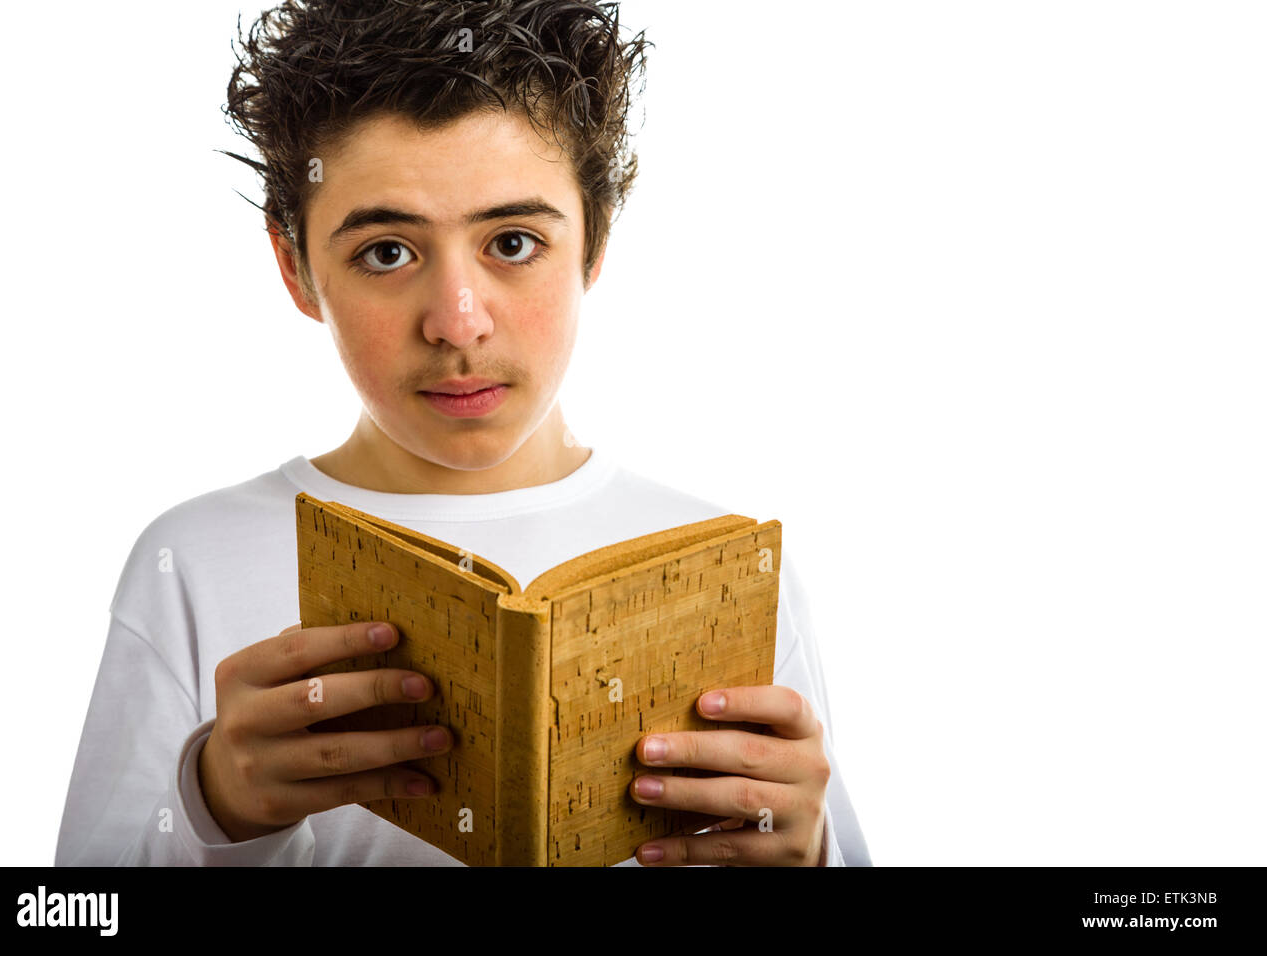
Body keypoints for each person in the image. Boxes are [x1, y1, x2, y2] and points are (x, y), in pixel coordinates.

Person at [55, 0, 871, 867]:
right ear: (295, 267)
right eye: (387, 253)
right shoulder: (194, 559)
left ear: (593, 242)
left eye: (513, 242)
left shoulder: (734, 569)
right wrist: (212, 806)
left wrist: (808, 855)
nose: (456, 322)